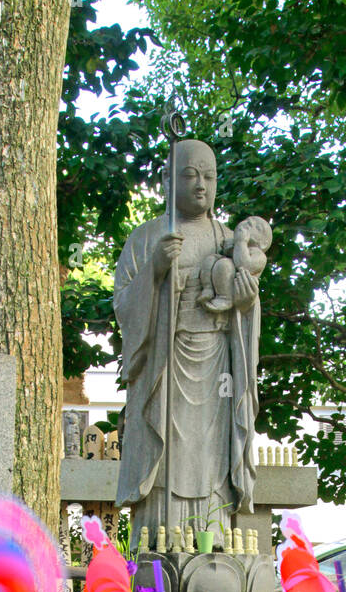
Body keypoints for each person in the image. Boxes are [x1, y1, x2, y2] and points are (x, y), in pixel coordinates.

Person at [113, 140, 266, 545]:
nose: (202, 185)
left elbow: (244, 309)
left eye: (210, 176)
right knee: (166, 458)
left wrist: (245, 301)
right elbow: (124, 307)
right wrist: (155, 271)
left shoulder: (229, 240)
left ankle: (215, 542)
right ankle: (159, 541)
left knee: (212, 461)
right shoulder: (148, 238)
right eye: (190, 175)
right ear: (167, 180)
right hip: (165, 364)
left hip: (218, 366)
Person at [198, 215, 273, 313]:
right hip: (219, 273)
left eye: (257, 228)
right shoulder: (232, 239)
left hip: (234, 280)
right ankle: (208, 289)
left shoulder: (259, 255)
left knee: (225, 265)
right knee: (210, 260)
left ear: (263, 244)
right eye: (247, 220)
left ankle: (225, 298)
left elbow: (243, 265)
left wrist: (240, 242)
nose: (249, 224)